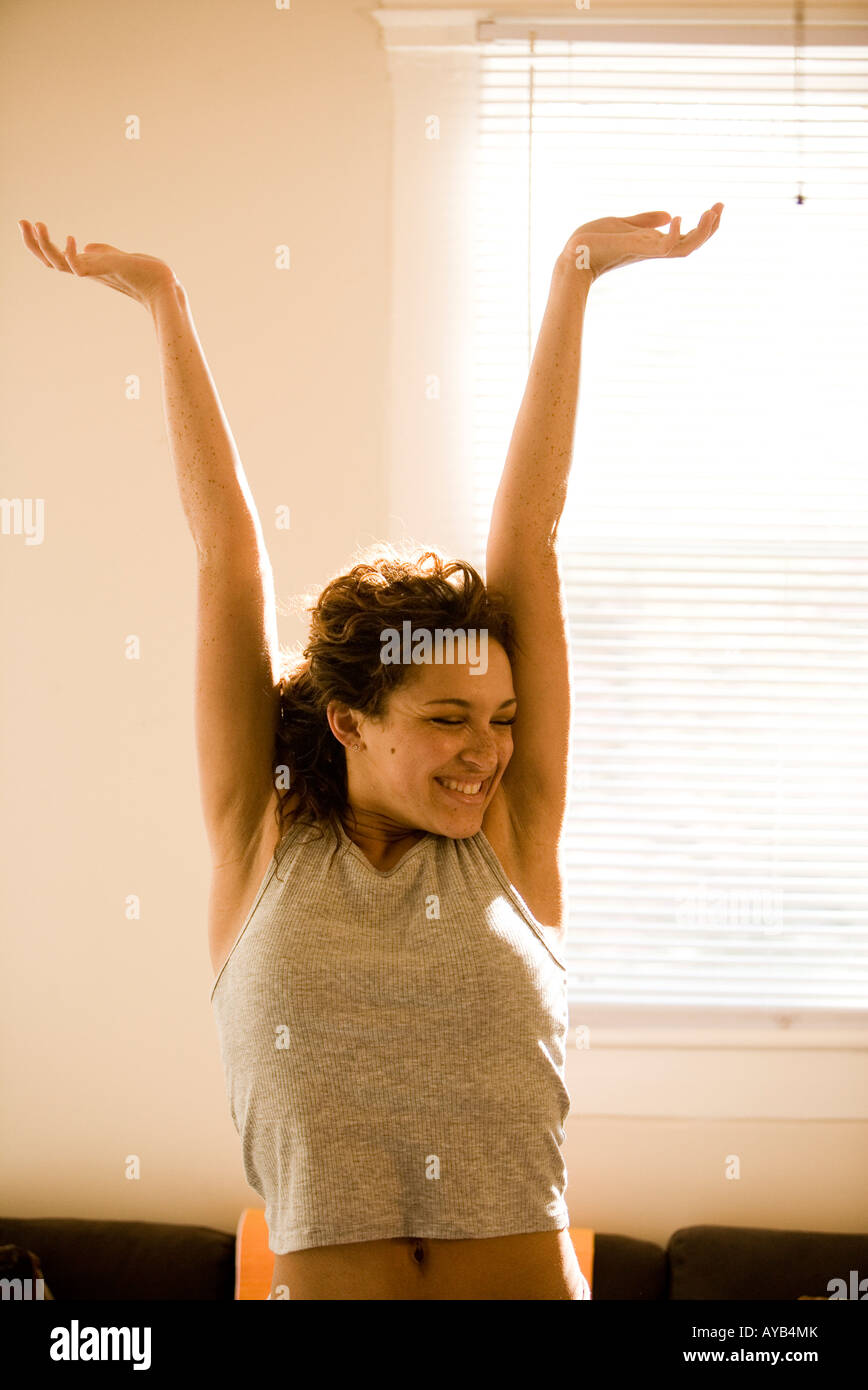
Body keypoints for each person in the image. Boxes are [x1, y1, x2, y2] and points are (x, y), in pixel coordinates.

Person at [19, 204, 722, 1300]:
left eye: (501, 719)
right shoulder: (264, 837)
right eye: (447, 718)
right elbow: (227, 559)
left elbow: (527, 535)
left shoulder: (508, 839)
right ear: (349, 720)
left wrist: (574, 276)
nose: (485, 752)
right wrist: (167, 304)